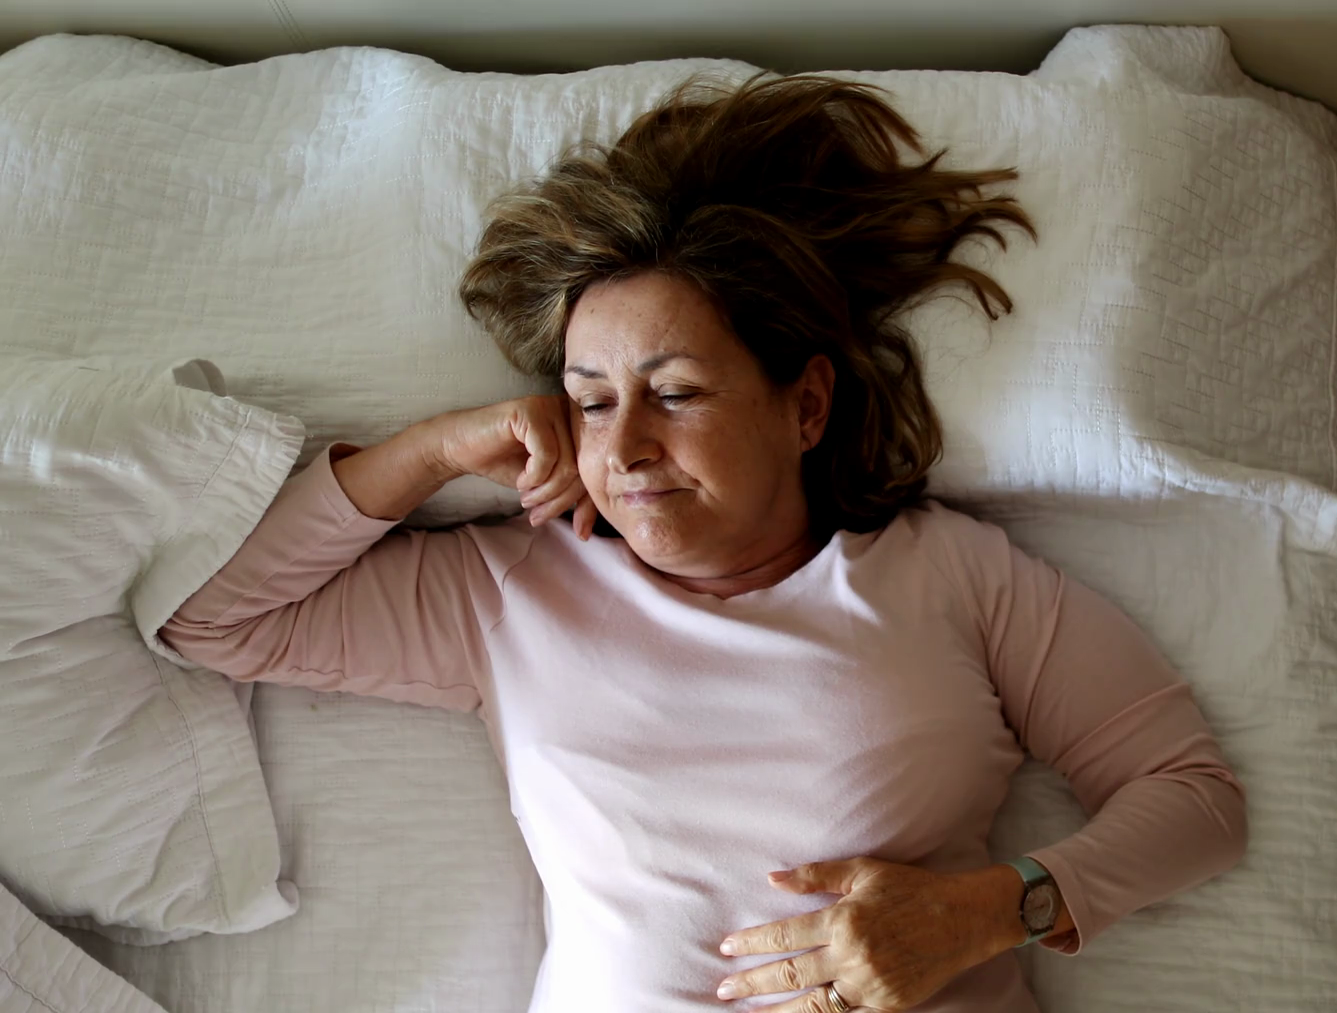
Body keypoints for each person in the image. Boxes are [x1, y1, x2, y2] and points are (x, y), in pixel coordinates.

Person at [162, 73, 1246, 1013]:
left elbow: (1193, 795)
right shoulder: (510, 587)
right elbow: (209, 617)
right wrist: (433, 450)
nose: (627, 446)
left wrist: (990, 910)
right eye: (591, 402)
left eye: (676, 392)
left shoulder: (950, 574)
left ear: (805, 404)